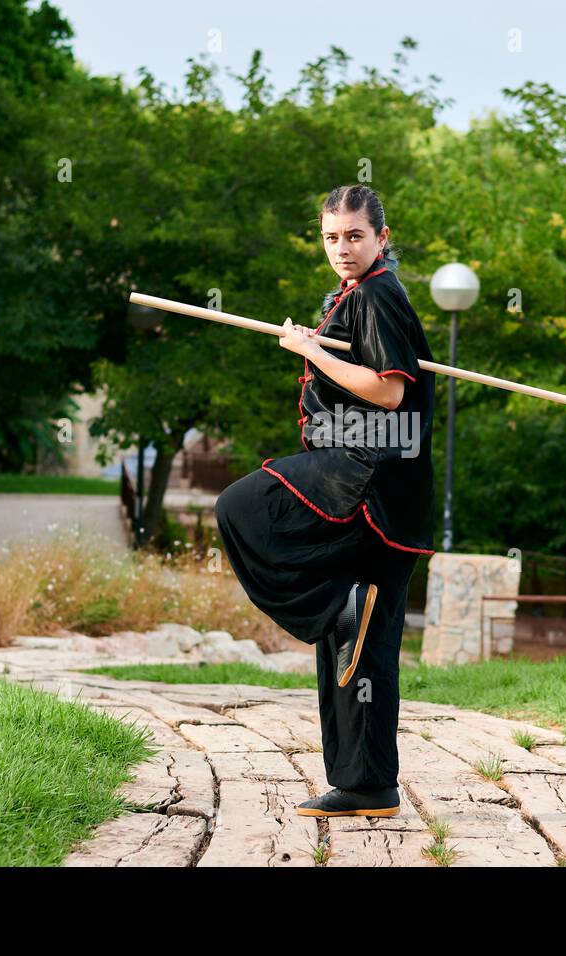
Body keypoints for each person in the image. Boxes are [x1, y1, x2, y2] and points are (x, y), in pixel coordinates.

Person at [214, 184, 436, 817]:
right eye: (332, 237)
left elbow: (389, 393)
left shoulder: (376, 294)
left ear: (381, 239)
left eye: (356, 236)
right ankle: (367, 785)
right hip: (388, 494)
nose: (342, 248)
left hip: (368, 476)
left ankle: (334, 604)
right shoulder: (357, 295)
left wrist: (311, 349)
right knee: (361, 651)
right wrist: (316, 339)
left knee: (242, 508)